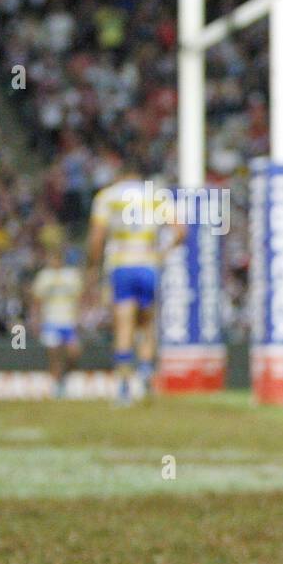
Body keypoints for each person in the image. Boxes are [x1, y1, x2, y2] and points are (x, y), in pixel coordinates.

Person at [85, 166, 182, 403]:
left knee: (124, 323)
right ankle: (147, 370)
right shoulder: (154, 195)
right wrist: (162, 253)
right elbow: (180, 230)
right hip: (148, 263)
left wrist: (91, 268)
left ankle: (124, 386)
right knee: (147, 322)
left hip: (121, 264)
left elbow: (97, 237)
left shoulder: (107, 196)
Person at [31, 245, 83, 397]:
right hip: (51, 321)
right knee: (54, 354)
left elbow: (79, 298)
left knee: (74, 353)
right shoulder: (44, 277)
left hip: (69, 321)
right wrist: (36, 320)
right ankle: (56, 387)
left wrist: (79, 318)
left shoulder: (72, 276)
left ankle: (65, 378)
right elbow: (37, 300)